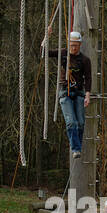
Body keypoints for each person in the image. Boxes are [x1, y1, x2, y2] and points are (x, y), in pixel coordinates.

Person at [42, 28, 91, 157]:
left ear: (80, 45)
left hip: (79, 92)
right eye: (71, 45)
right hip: (65, 92)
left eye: (75, 45)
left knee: (80, 122)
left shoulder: (85, 60)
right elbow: (44, 52)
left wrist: (87, 94)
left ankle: (77, 148)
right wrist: (47, 36)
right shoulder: (63, 53)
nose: (73, 48)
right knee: (71, 122)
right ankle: (75, 149)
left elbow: (88, 77)